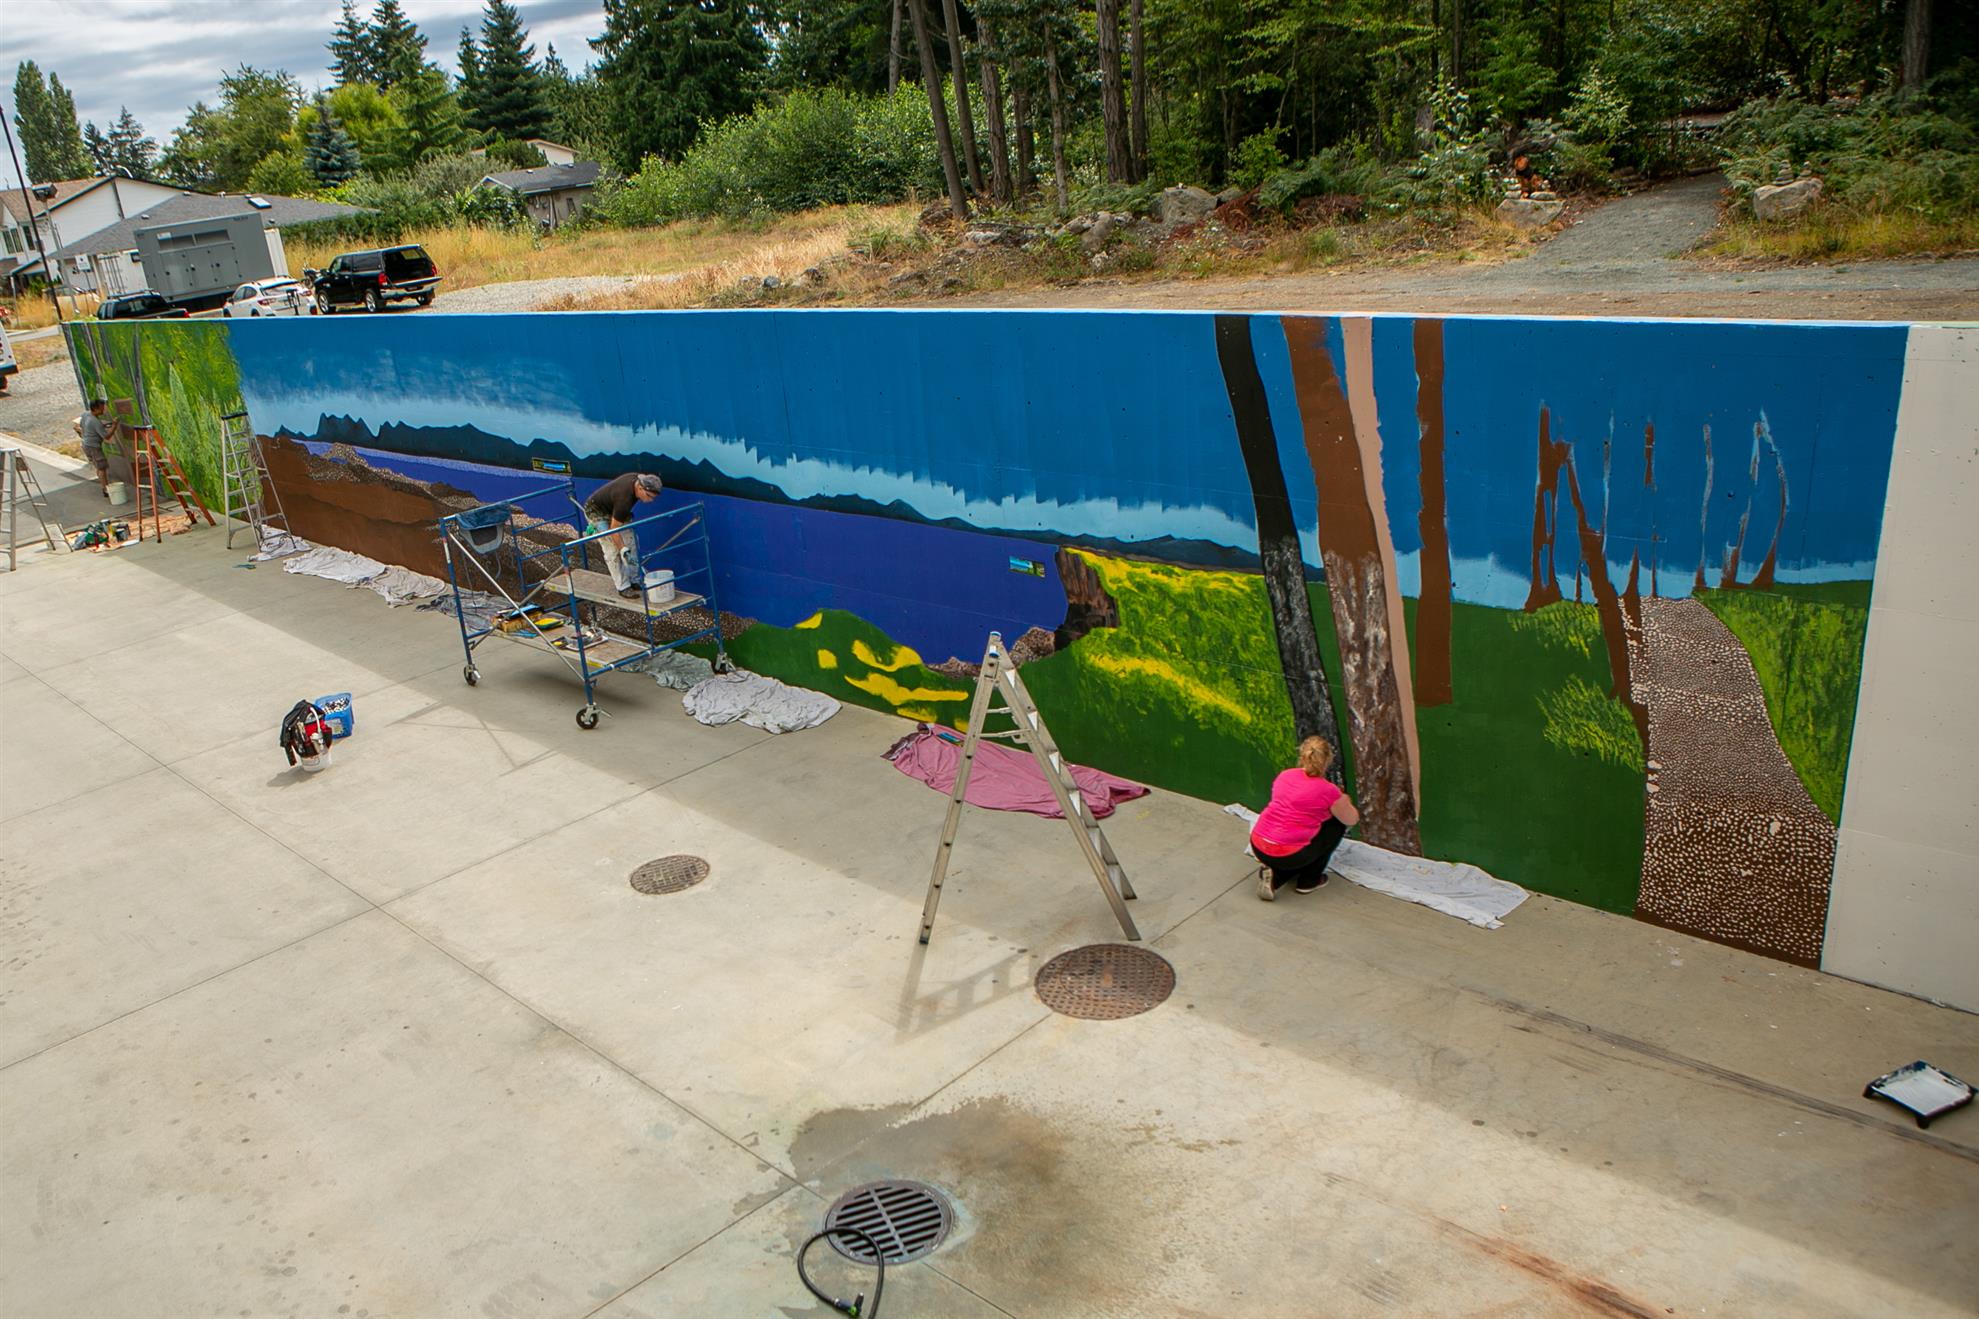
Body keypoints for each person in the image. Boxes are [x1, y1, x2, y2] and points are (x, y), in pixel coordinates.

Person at [1250, 735, 1359, 901]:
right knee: (1336, 826)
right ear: (1328, 760)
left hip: (1259, 844)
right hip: (1290, 853)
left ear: (1302, 756)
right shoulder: (1329, 791)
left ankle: (1275, 877)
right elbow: (1351, 819)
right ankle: (1309, 881)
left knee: (1290, 848)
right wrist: (1345, 801)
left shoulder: (1285, 775)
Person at [582, 472, 663, 599]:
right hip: (597, 511)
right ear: (640, 488)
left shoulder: (639, 479)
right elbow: (613, 530)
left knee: (631, 543)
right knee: (612, 550)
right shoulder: (624, 500)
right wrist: (622, 549)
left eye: (653, 498)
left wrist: (627, 547)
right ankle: (623, 586)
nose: (650, 500)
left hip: (614, 508)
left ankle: (635, 580)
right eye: (648, 496)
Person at [76, 398, 121, 499]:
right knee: (102, 468)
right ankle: (105, 490)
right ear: (95, 408)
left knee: (98, 466)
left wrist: (104, 426)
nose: (103, 410)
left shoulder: (85, 414)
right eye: (101, 408)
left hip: (86, 444)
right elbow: (107, 436)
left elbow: (82, 426)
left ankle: (104, 486)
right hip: (93, 447)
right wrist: (114, 425)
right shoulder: (95, 421)